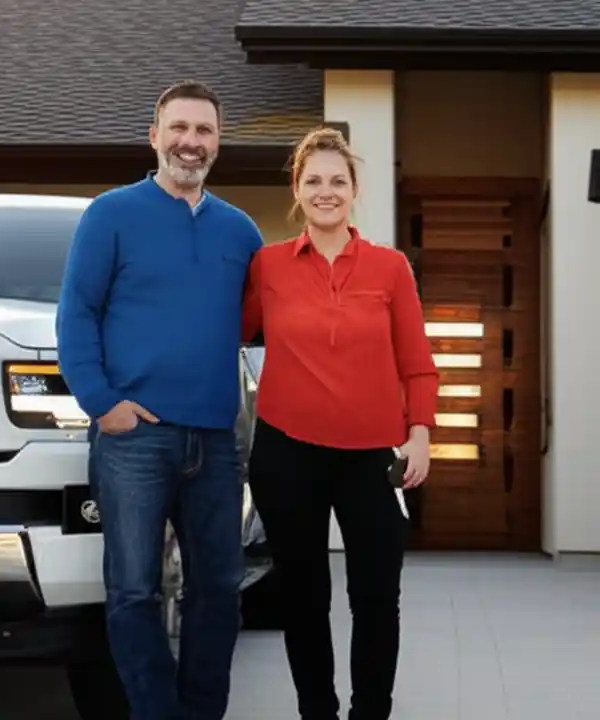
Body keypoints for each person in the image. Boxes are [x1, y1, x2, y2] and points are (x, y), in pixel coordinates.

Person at [56, 80, 264, 720]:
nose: (190, 142)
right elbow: (76, 315)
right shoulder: (111, 215)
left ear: (218, 143)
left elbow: (264, 325)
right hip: (133, 439)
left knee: (220, 591)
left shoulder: (241, 231)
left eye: (203, 131)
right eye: (179, 128)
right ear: (154, 136)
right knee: (133, 591)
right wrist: (101, 403)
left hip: (216, 442)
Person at [240, 127, 438, 720]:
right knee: (303, 598)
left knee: (377, 597)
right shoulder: (268, 265)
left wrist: (421, 434)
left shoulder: (389, 268)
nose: (326, 191)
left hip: (372, 454)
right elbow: (224, 333)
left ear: (353, 192)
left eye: (338, 181)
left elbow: (417, 363)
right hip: (285, 453)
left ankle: (370, 712)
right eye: (313, 181)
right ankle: (317, 713)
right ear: (297, 192)